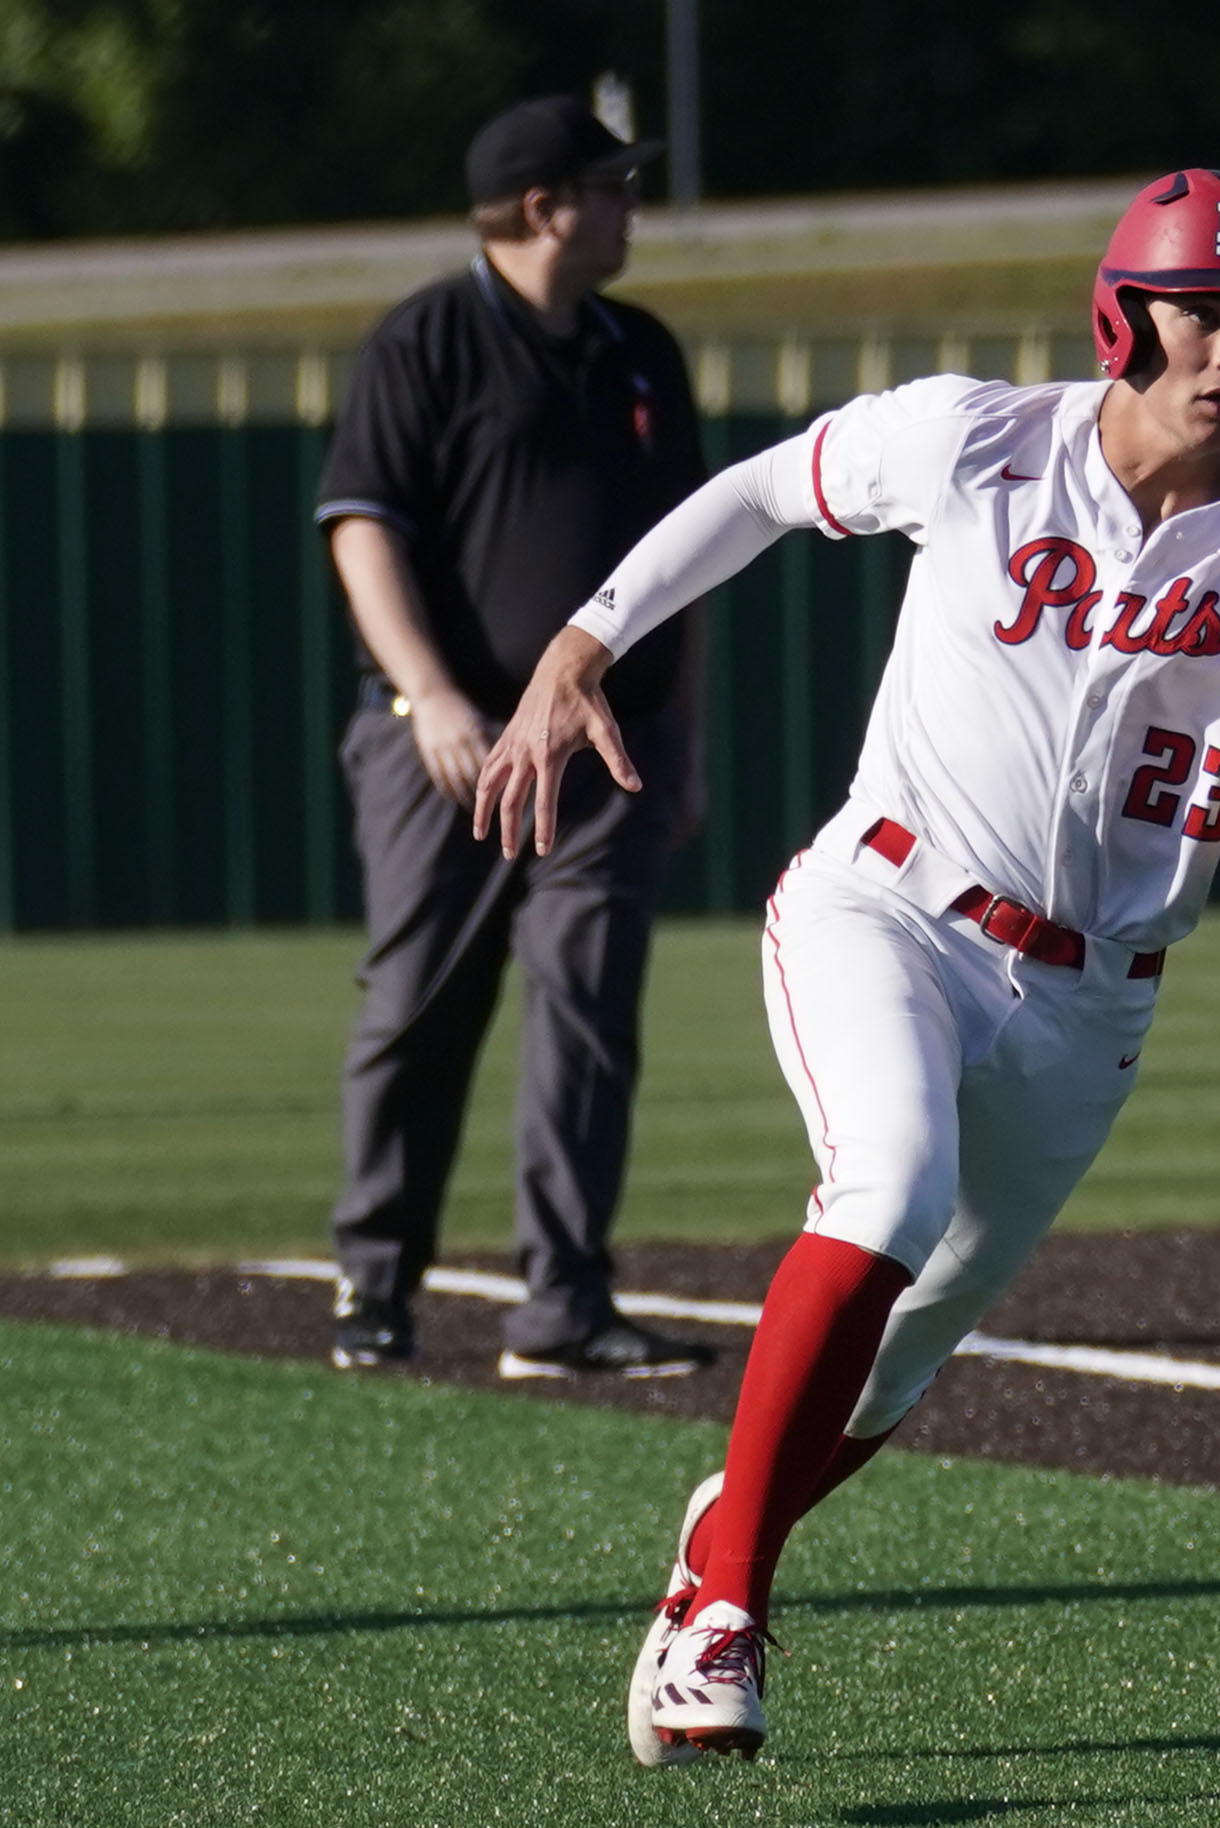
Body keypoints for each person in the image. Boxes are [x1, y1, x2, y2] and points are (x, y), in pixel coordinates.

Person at [469, 168, 1220, 1762]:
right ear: (1125, 313)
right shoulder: (980, 440)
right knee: (883, 1189)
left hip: (1094, 998)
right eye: (1203, 311)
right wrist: (582, 641)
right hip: (888, 906)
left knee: (892, 1373)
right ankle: (730, 1611)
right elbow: (753, 492)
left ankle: (720, 1538)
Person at [318, 95, 715, 1382]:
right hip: (452, 745)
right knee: (417, 1008)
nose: (630, 206)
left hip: (609, 749)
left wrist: (688, 741)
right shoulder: (428, 338)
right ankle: (375, 1284)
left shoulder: (642, 351)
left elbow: (685, 566)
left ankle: (565, 1300)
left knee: (589, 1008)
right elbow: (362, 524)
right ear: (545, 207)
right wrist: (428, 694)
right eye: (611, 187)